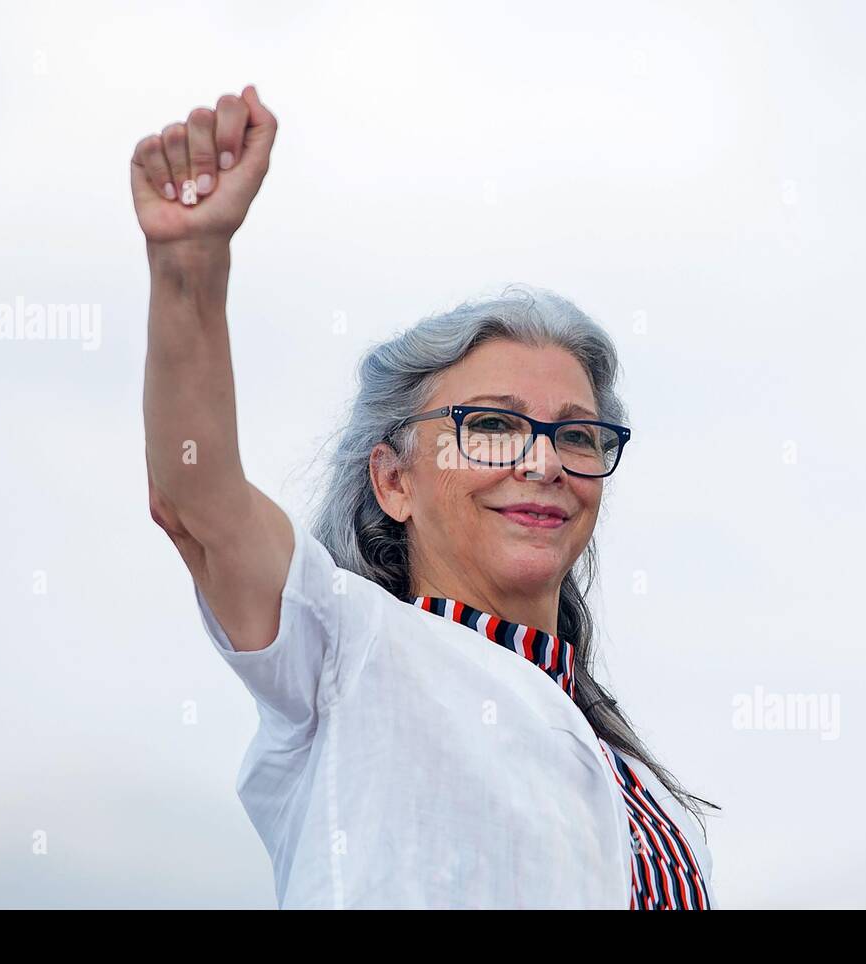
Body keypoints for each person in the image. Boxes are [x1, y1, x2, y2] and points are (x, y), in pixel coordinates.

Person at [132, 85, 722, 909]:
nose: (543, 463)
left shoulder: (629, 786)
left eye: (577, 434)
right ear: (393, 479)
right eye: (490, 426)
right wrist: (189, 265)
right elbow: (199, 498)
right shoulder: (348, 651)